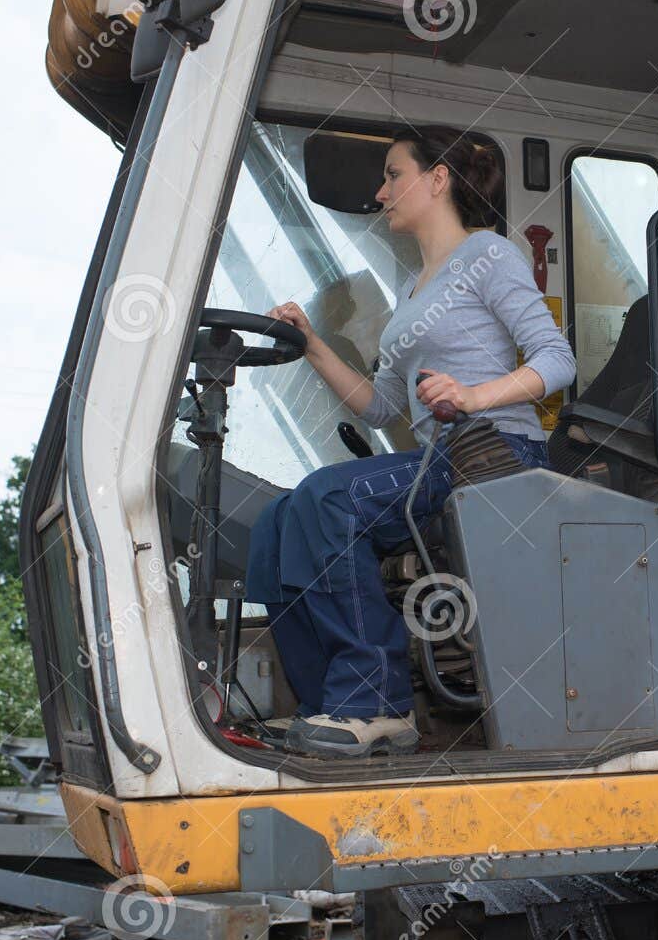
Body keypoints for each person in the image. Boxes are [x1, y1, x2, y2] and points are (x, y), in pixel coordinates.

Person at [244, 125, 576, 757]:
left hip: (495, 454)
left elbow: (557, 360)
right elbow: (381, 406)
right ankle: (330, 708)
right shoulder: (410, 289)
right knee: (276, 523)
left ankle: (377, 704)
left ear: (438, 179)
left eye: (394, 174)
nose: (382, 190)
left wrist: (474, 396)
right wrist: (313, 345)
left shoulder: (489, 255)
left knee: (329, 499)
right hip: (436, 461)